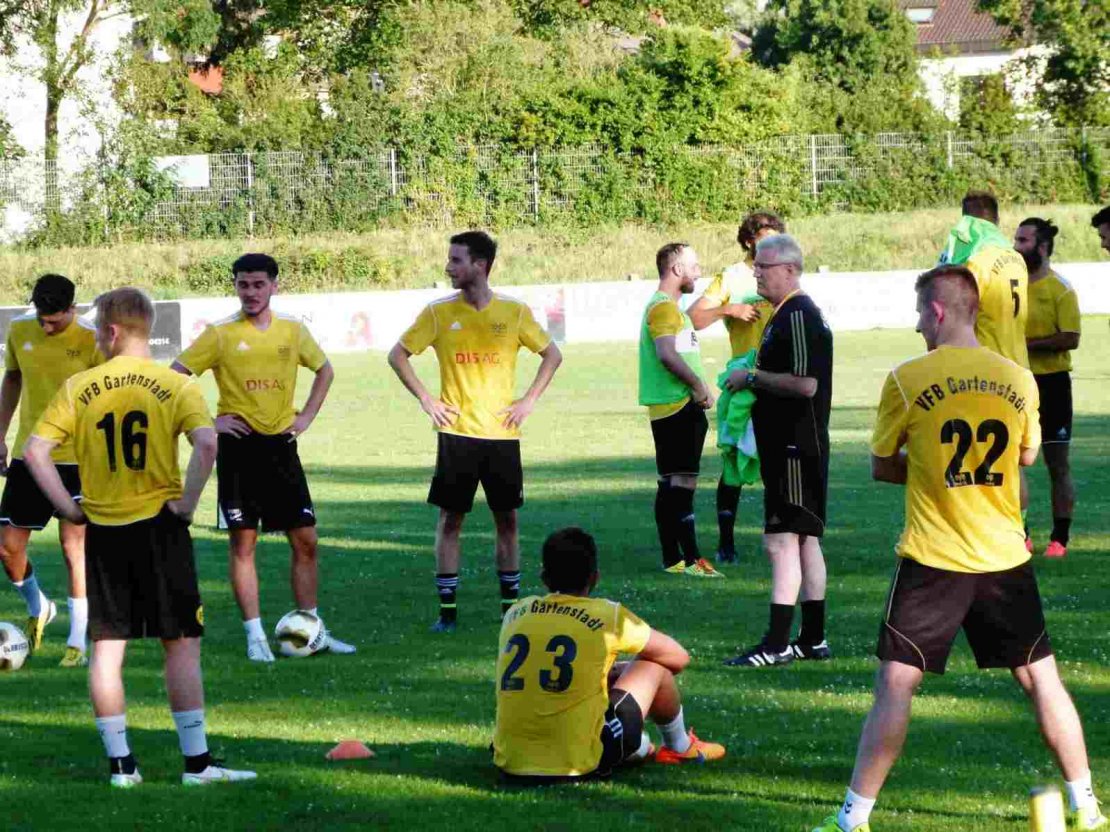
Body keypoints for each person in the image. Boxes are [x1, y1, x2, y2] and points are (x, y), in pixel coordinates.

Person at [812, 265, 1105, 832]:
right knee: (1041, 678)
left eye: (920, 312)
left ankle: (853, 820)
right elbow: (1023, 460)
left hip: (933, 558)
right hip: (1004, 556)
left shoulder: (907, 378)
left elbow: (880, 465)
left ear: (939, 311)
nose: (917, 322)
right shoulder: (1020, 379)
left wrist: (931, 471)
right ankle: (1088, 809)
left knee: (896, 684)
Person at [24, 288, 255, 788]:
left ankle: (122, 767)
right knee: (181, 643)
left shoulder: (78, 386)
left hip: (105, 530)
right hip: (160, 529)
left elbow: (35, 450)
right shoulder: (175, 385)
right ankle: (197, 765)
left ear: (111, 332)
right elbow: (208, 442)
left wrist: (67, 508)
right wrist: (189, 503)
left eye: (95, 330)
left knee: (107, 648)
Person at [171, 253, 353, 662]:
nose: (250, 293)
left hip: (282, 448)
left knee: (306, 540)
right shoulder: (219, 334)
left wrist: (305, 416)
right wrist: (208, 422)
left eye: (257, 284)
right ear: (235, 286)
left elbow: (325, 371)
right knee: (244, 543)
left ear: (274, 285)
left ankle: (311, 630)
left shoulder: (293, 330)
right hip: (239, 449)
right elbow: (175, 375)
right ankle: (254, 637)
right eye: (242, 284)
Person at [388, 231, 562, 633]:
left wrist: (528, 400)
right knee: (451, 520)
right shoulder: (437, 313)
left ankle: (509, 612)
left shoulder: (513, 313)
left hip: (502, 435)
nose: (448, 267)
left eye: (455, 260)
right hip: (457, 435)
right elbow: (397, 355)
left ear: (480, 265)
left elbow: (552, 354)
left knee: (508, 521)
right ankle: (447, 614)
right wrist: (427, 400)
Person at [493, 526, 726, 780]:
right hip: (576, 764)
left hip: (510, 761)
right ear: (595, 578)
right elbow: (678, 657)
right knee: (654, 665)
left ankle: (636, 745)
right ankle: (679, 747)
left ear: (544, 578)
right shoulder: (607, 616)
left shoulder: (516, 612)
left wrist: (610, 670)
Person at [723, 234, 833, 667]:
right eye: (756, 267)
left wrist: (751, 378)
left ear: (789, 269)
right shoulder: (783, 315)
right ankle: (813, 639)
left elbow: (806, 384)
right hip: (788, 445)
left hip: (794, 446)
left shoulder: (800, 316)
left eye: (764, 267)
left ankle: (775, 644)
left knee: (781, 542)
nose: (757, 274)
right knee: (805, 541)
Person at [0, 274, 101, 666]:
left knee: (73, 546)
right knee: (8, 548)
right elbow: (12, 379)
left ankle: (77, 640)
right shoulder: (19, 329)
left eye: (55, 320)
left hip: (79, 458)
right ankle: (40, 605)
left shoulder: (92, 339)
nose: (46, 326)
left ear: (73, 309)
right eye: (42, 318)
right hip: (30, 455)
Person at [688, 212, 785, 563]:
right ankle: (726, 543)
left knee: (778, 463)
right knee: (733, 464)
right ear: (749, 241)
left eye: (776, 239)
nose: (770, 246)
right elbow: (695, 316)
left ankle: (780, 538)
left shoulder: (784, 273)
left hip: (778, 380)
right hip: (743, 381)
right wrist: (729, 308)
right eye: (764, 239)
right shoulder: (732, 276)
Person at [942, 191, 1034, 547]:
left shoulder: (976, 257)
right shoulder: (1014, 258)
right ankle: (1019, 530)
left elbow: (958, 306)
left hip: (985, 372)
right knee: (1011, 456)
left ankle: (982, 529)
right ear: (995, 219)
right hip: (1019, 369)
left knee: (971, 452)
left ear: (968, 218)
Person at [639, 243, 720, 577]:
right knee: (682, 484)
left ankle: (672, 559)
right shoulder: (664, 309)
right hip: (678, 405)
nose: (698, 273)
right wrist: (698, 386)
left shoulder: (670, 308)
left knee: (669, 482)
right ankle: (692, 561)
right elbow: (667, 354)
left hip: (671, 405)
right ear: (676, 270)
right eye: (694, 266)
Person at [1015, 218, 1080, 557]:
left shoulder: (1061, 289)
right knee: (1011, 460)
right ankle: (1020, 533)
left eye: (1023, 240)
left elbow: (1071, 338)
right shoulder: (1012, 286)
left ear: (1041, 247)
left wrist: (1025, 343)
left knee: (1057, 463)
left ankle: (1059, 538)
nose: (1016, 246)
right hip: (1018, 384)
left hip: (1052, 385)